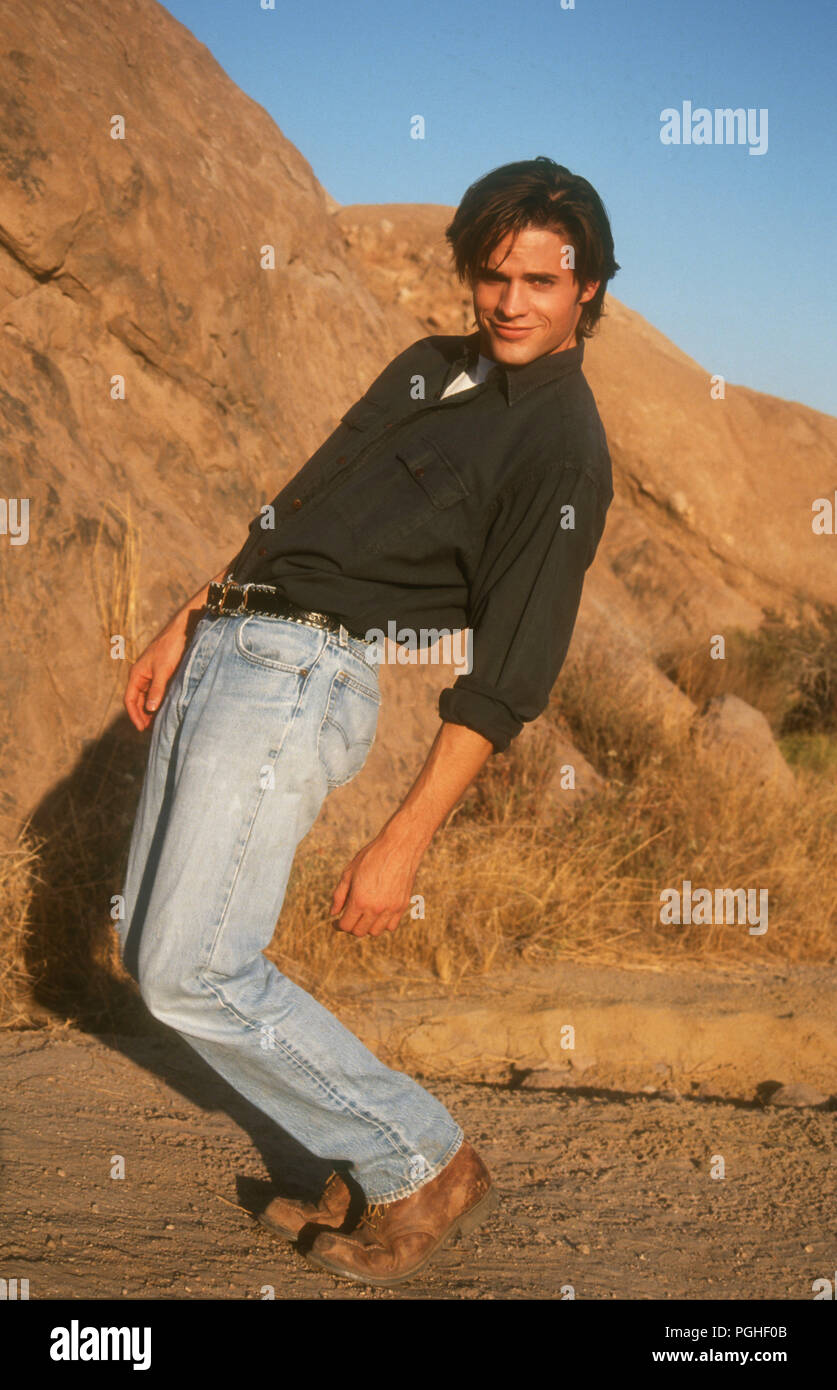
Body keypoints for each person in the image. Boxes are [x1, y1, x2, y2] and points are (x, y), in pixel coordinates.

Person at [118, 156, 618, 1288]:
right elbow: (297, 506)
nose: (511, 301)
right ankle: (364, 1144)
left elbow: (511, 675)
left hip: (299, 675)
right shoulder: (428, 367)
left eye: (542, 281)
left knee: (191, 966)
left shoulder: (562, 449)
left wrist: (404, 839)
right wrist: (190, 611)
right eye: (494, 274)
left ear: (588, 289)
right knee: (151, 946)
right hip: (230, 644)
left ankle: (418, 1157)